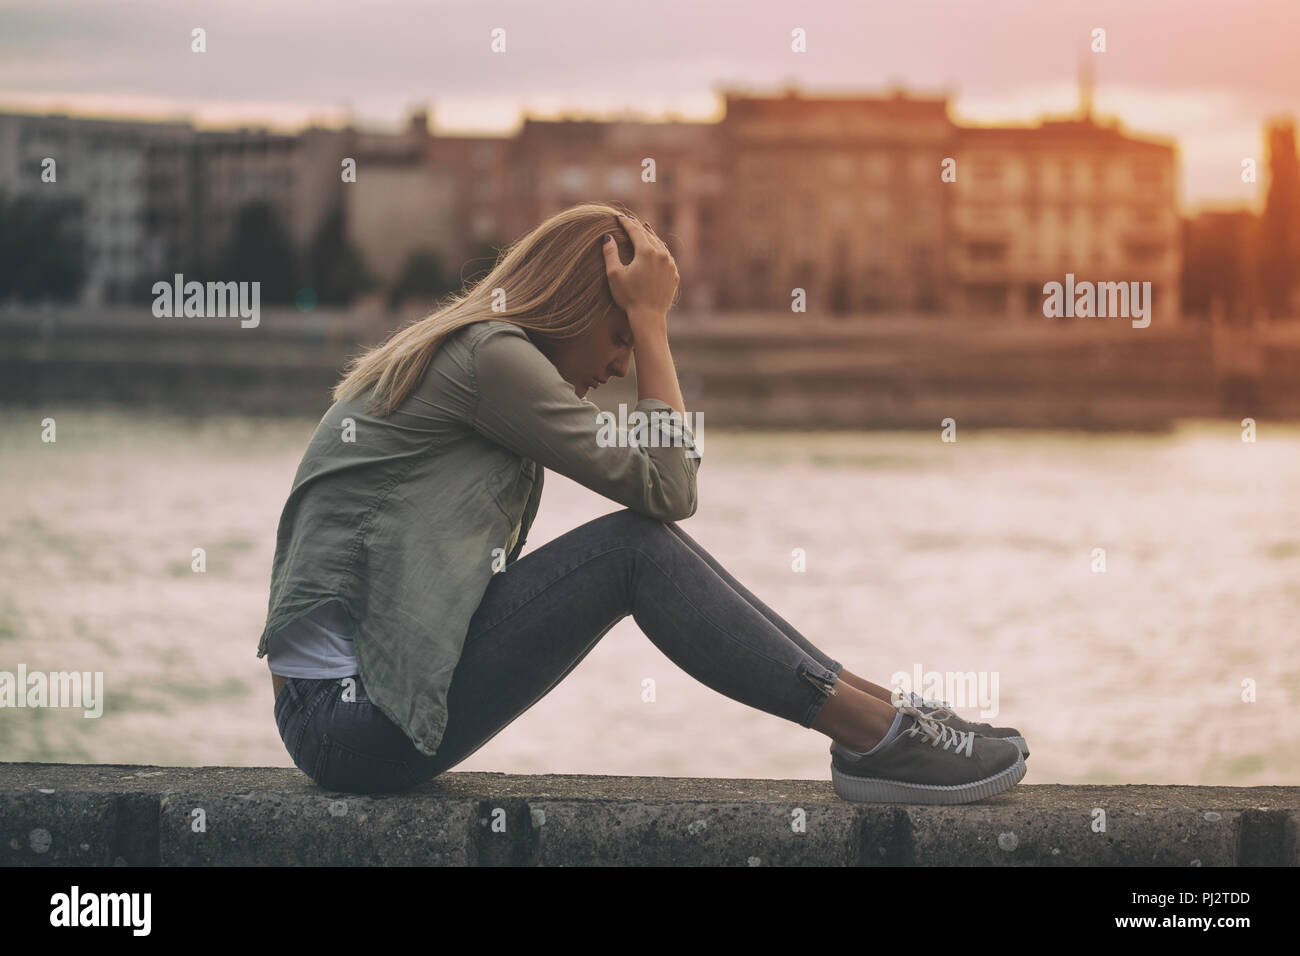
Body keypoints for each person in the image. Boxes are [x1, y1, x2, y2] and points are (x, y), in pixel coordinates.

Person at [258, 202, 1029, 804]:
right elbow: (669, 490)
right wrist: (656, 325)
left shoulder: (476, 354)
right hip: (350, 725)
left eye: (637, 343)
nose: (625, 363)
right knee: (635, 551)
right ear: (571, 303)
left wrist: (645, 325)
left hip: (350, 714)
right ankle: (878, 733)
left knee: (640, 544)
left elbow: (662, 493)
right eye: (620, 335)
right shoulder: (491, 359)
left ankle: (892, 719)